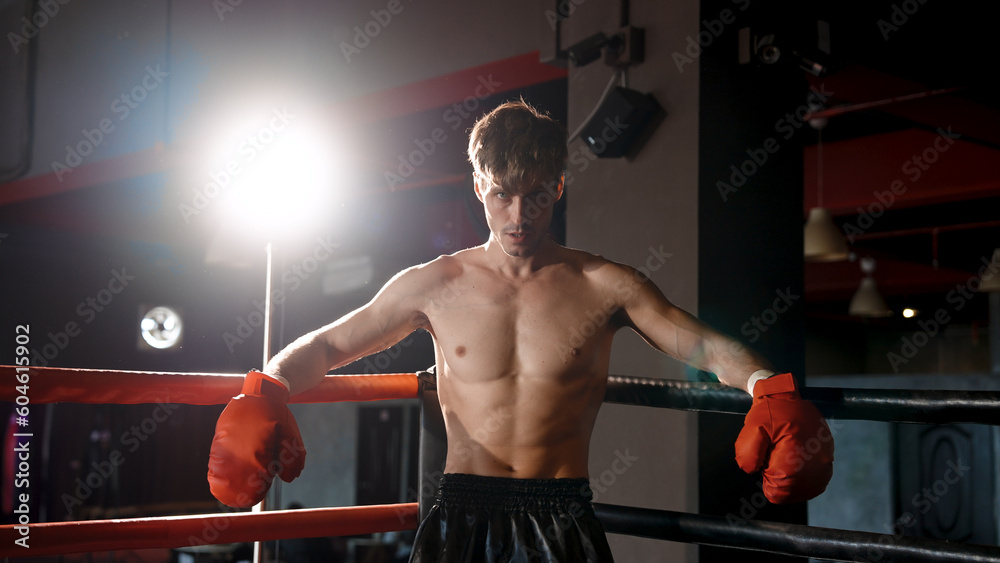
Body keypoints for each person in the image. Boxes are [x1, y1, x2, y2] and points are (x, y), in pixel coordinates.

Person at [206, 100, 834, 562]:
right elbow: (329, 344)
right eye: (502, 195)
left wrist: (769, 387)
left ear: (558, 185)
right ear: (479, 185)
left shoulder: (605, 284)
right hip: (459, 512)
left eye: (536, 196)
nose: (518, 216)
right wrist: (267, 389)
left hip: (560, 516)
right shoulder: (433, 284)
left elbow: (699, 343)